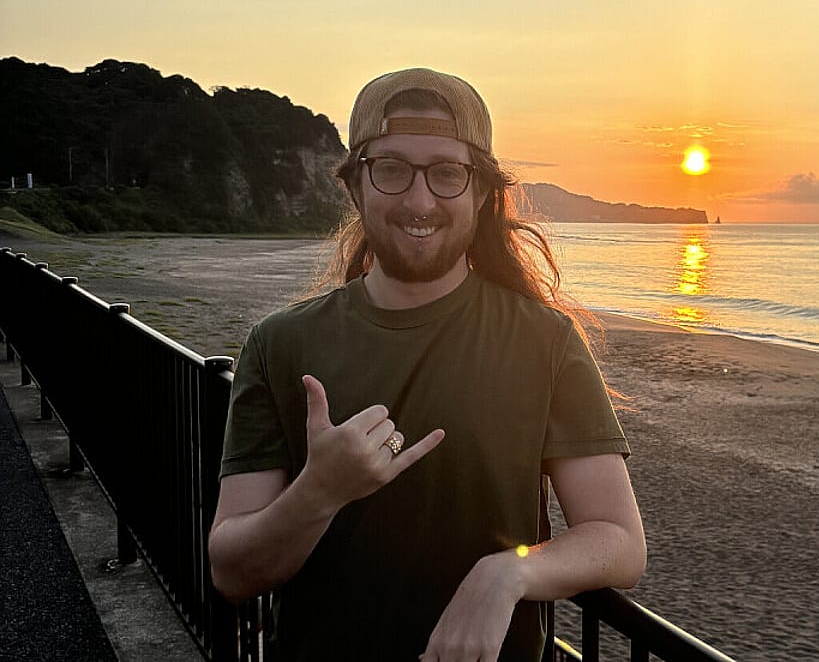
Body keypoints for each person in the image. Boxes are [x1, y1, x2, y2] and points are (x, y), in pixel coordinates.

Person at [208, 68, 646, 661]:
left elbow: (619, 541)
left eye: (448, 174)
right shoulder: (279, 344)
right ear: (355, 187)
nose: (420, 201)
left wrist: (508, 573)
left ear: (482, 191)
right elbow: (232, 571)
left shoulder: (544, 342)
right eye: (391, 170)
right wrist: (320, 491)